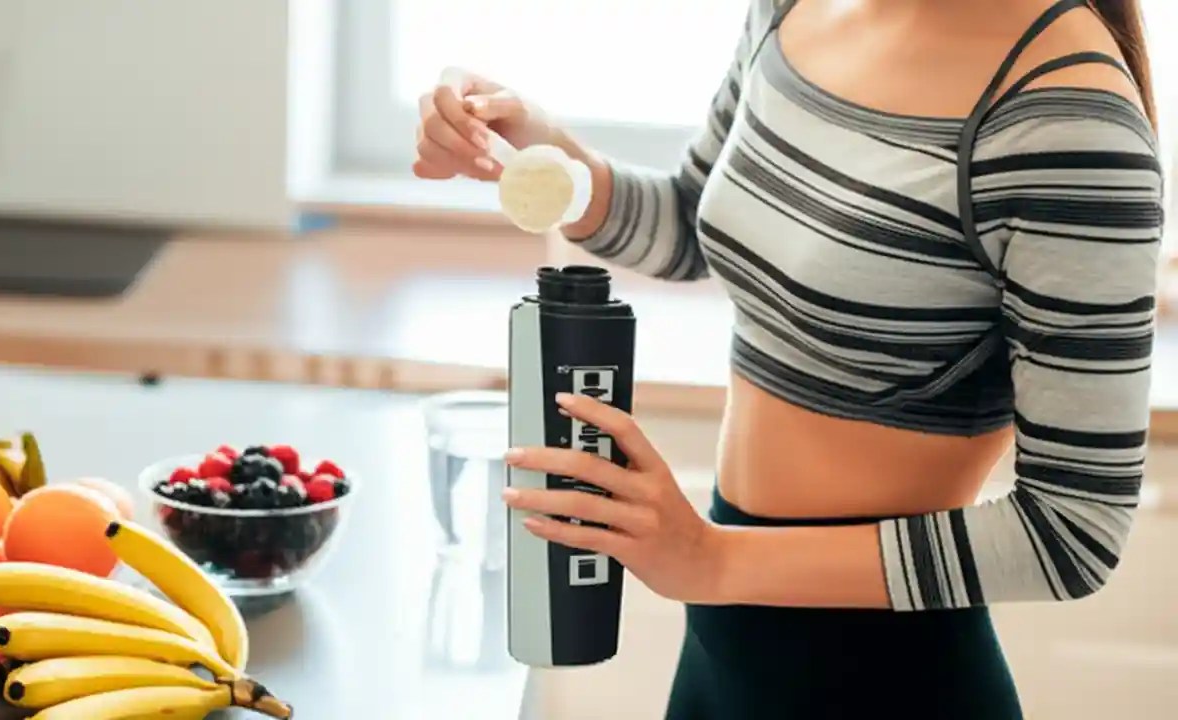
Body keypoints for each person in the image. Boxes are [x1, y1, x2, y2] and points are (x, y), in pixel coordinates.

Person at [414, 0, 1164, 717]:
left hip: (887, 682)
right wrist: (549, 159)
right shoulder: (793, 6)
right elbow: (693, 220)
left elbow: (1074, 532)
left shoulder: (1070, 122)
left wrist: (711, 559)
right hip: (722, 647)